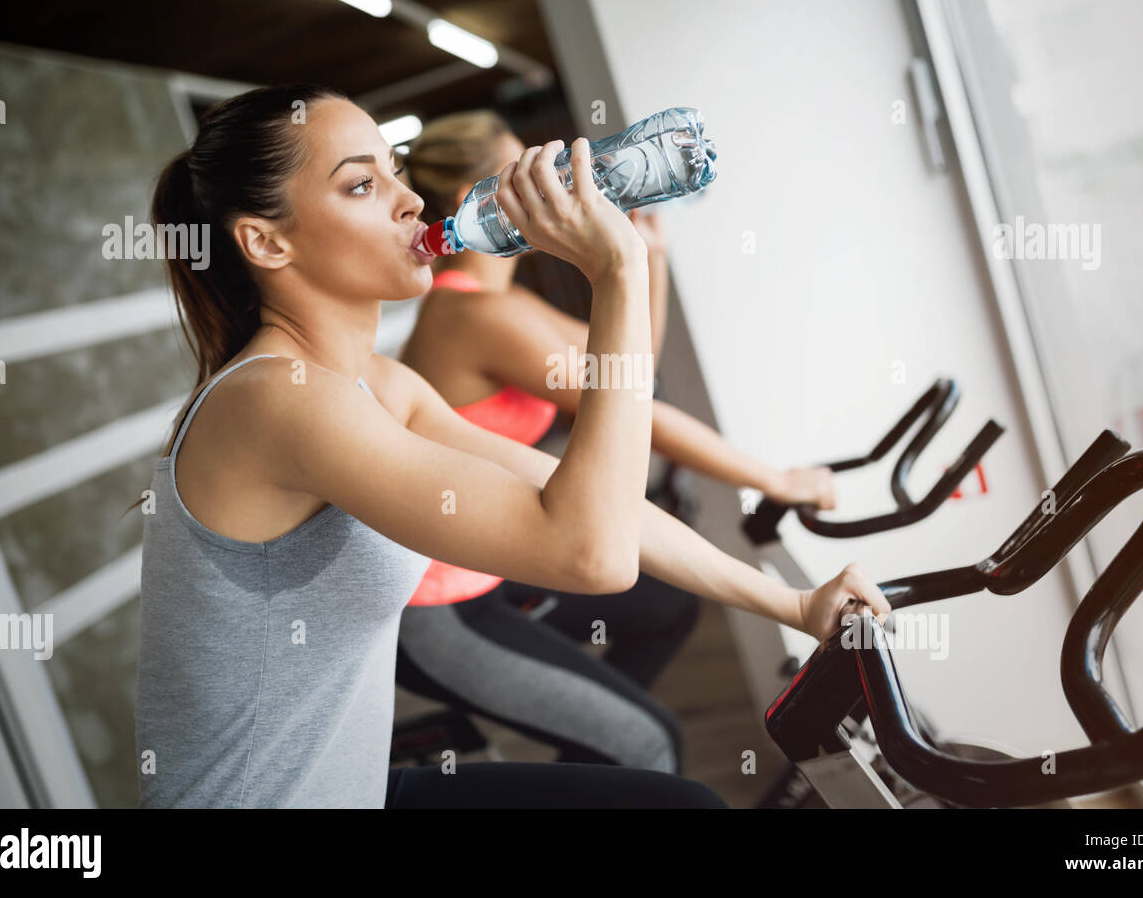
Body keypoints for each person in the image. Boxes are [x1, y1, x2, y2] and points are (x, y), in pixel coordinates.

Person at [134, 84, 890, 809]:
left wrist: (795, 603)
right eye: (361, 186)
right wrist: (618, 271)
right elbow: (589, 554)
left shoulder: (376, 384)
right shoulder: (277, 399)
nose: (410, 201)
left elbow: (599, 506)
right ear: (265, 241)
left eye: (396, 173)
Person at [386, 110, 844, 773]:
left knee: (663, 608)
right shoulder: (474, 314)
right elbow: (640, 409)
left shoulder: (498, 306)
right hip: (437, 602)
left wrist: (644, 259)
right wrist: (777, 480)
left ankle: (587, 759)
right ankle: (605, 754)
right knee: (648, 744)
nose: (548, 183)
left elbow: (628, 379)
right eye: (520, 171)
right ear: (478, 197)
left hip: (487, 559)